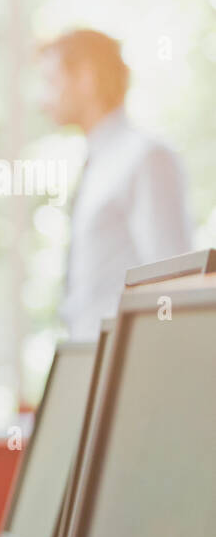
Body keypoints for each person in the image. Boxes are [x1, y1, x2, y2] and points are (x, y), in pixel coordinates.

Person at [39, 29, 192, 341]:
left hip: (128, 365)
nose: (43, 100)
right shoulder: (96, 161)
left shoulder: (146, 157)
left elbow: (172, 284)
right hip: (91, 358)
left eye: (51, 82)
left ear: (86, 78)